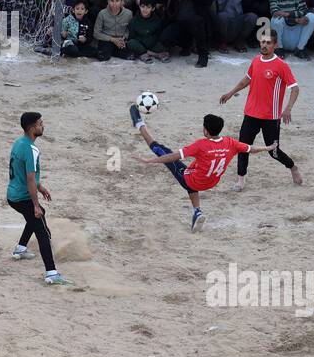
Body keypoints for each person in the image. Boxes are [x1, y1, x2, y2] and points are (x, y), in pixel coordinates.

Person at [130, 109, 277, 233]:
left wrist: (149, 161)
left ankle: (140, 124)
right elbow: (251, 149)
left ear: (205, 130)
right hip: (211, 182)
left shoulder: (201, 145)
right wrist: (268, 148)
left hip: (194, 181)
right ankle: (197, 212)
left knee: (161, 150)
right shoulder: (230, 143)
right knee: (194, 170)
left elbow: (173, 156)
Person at [219, 31, 303, 190]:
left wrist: (288, 108)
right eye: (262, 42)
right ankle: (241, 180)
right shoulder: (256, 60)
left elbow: (295, 89)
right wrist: (230, 93)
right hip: (251, 113)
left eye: (268, 43)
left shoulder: (281, 65)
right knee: (243, 146)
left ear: (275, 45)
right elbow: (247, 80)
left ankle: (292, 167)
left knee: (273, 152)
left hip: (270, 117)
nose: (264, 45)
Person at [6, 111, 68, 284]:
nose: (43, 125)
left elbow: (23, 173)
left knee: (37, 217)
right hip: (22, 197)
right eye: (40, 123)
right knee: (42, 230)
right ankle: (51, 274)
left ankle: (20, 249)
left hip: (13, 194)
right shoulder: (31, 149)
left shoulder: (19, 143)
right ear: (32, 128)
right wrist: (35, 205)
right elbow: (30, 178)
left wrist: (40, 188)